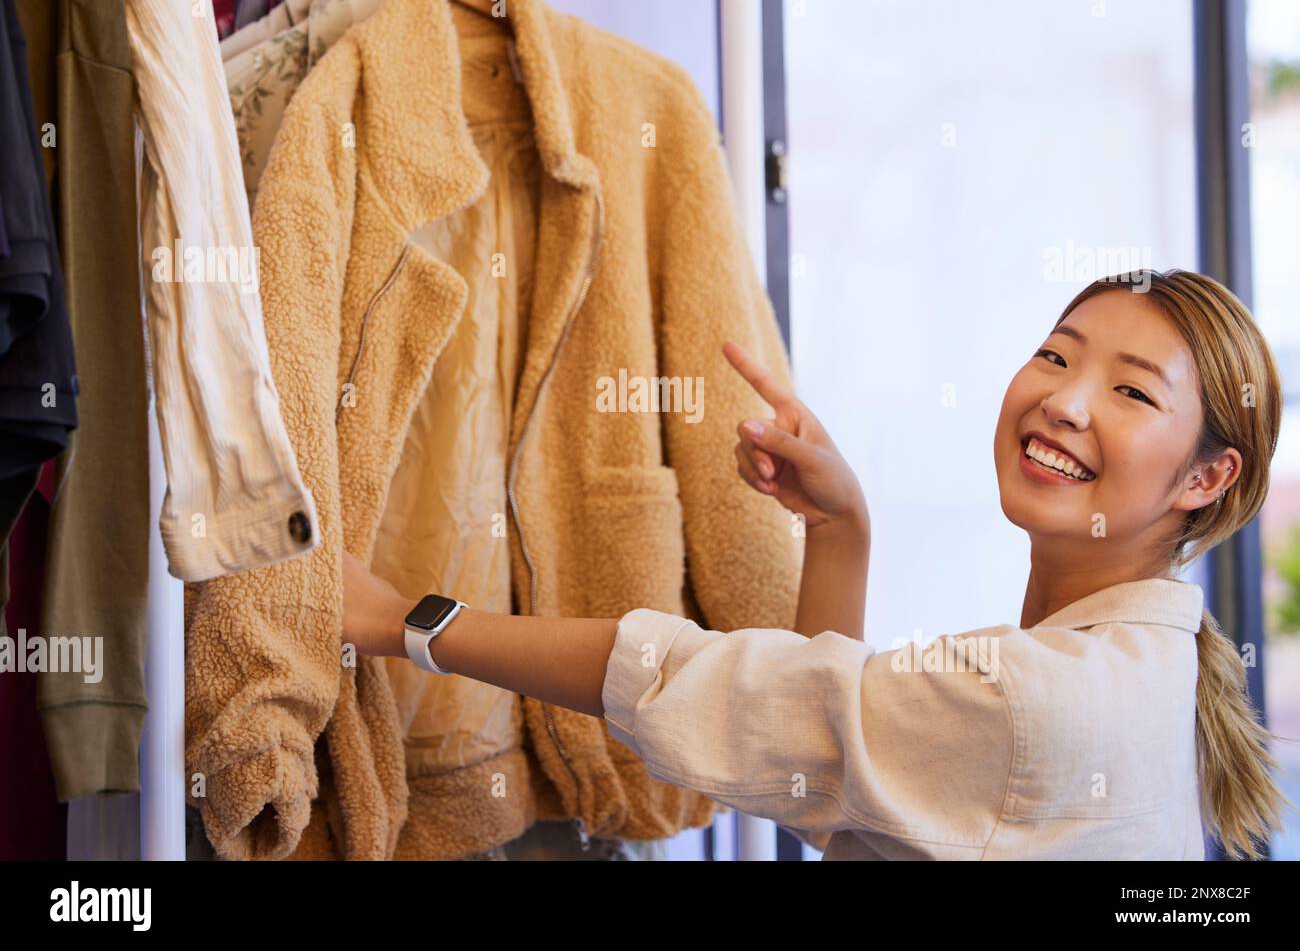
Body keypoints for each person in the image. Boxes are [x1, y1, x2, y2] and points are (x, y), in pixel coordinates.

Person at [342, 269, 1292, 860]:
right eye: (1056, 355)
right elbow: (834, 794)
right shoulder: (1138, 671)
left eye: (1130, 391)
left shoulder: (1047, 698)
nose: (1066, 402)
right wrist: (842, 528)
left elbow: (742, 698)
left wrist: (405, 624)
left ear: (1207, 477)